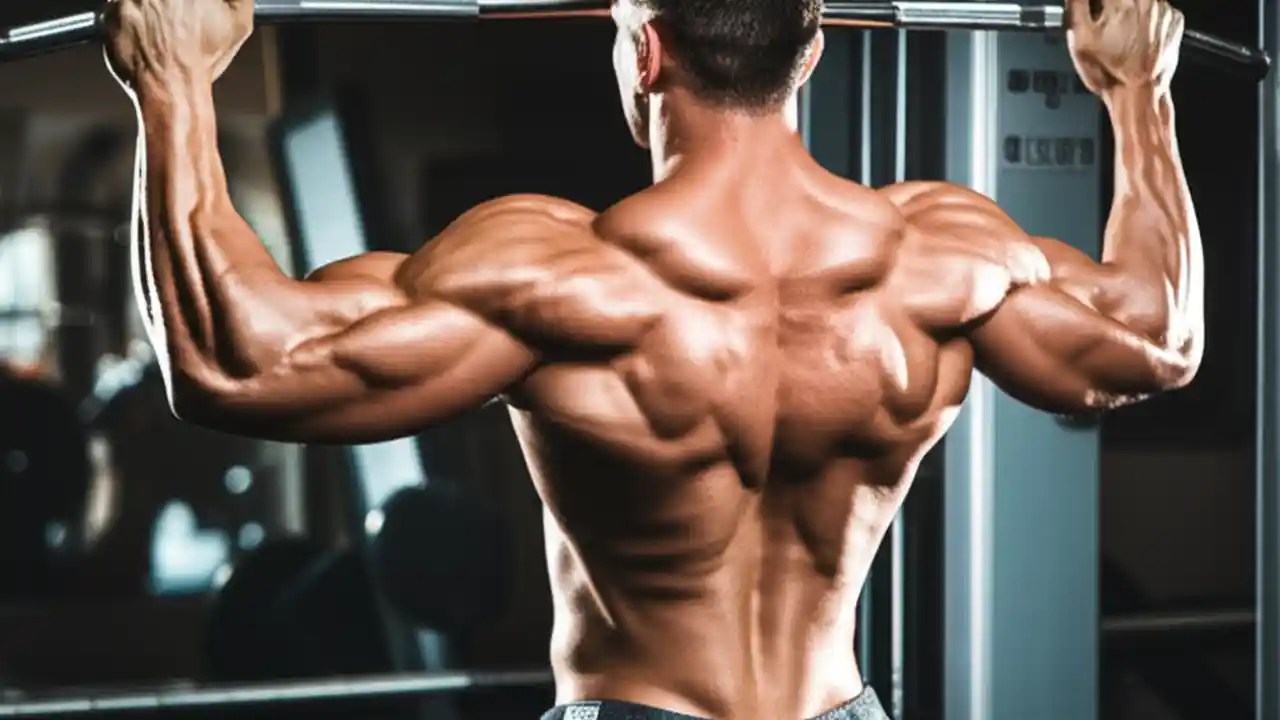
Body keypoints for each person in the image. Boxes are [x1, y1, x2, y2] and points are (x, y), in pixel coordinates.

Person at [102, 0, 1201, 717]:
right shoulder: (937, 260)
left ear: (644, 47)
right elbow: (1155, 334)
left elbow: (233, 362)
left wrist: (173, 86)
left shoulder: (565, 280)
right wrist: (1133, 91)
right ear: (810, 46)